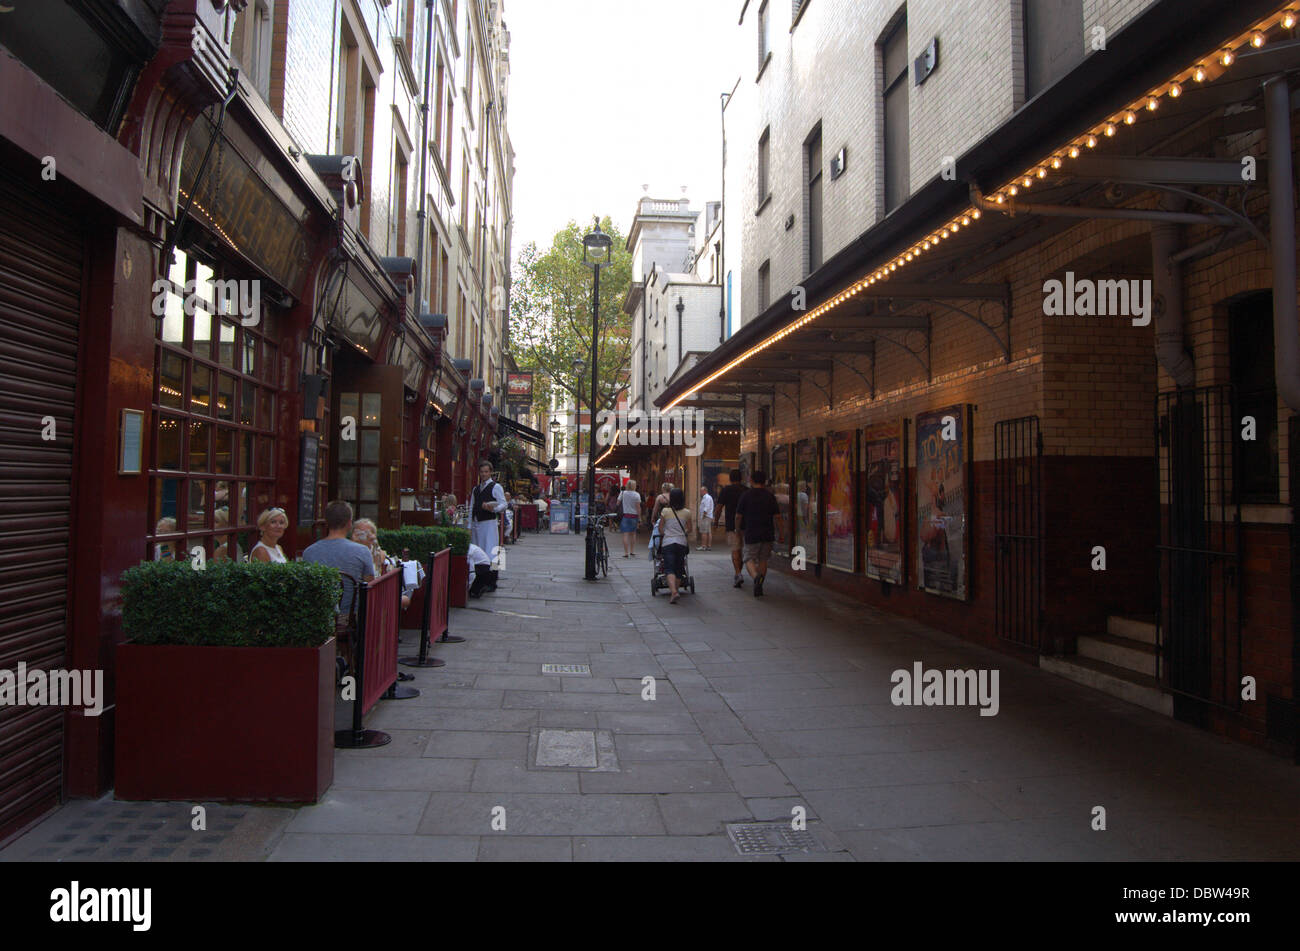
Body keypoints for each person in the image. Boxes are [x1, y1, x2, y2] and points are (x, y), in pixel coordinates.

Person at [302, 500, 375, 623]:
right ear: (349, 524)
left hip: (320, 619)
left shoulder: (309, 552)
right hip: (350, 618)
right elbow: (370, 585)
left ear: (327, 523)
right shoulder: (362, 551)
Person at [735, 470, 784, 598]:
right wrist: (782, 533)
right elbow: (778, 517)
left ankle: (756, 578)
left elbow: (738, 516)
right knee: (763, 559)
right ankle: (759, 585)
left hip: (751, 532)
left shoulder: (746, 495)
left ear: (751, 480)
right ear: (764, 481)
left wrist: (737, 530)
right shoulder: (770, 496)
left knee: (748, 558)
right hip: (768, 532)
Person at [655, 487, 692, 605]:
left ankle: (673, 592)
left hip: (668, 543)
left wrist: (665, 534)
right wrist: (683, 533)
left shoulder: (665, 511)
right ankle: (675, 591)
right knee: (679, 569)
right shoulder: (687, 512)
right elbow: (689, 529)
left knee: (669, 568)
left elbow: (660, 528)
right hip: (681, 543)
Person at [717, 469, 748, 588]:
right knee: (742, 550)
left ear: (730, 478)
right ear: (741, 478)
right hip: (746, 525)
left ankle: (738, 573)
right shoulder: (746, 490)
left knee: (735, 550)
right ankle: (739, 572)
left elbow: (719, 507)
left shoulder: (726, 490)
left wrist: (715, 521)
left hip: (732, 525)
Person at [470, 461, 507, 556]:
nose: (483, 474)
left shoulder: (496, 487)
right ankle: (479, 569)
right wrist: (469, 525)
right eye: (482, 472)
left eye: (486, 472)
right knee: (477, 550)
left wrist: (493, 509)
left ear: (490, 472)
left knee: (490, 549)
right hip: (476, 523)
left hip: (489, 523)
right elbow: (472, 506)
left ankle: (493, 569)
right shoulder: (475, 489)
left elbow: (504, 504)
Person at [616, 479, 642, 558]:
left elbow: (617, 503)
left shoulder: (623, 493)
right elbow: (638, 508)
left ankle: (626, 553)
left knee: (625, 534)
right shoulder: (637, 494)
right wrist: (639, 518)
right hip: (634, 516)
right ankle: (632, 551)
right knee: (633, 534)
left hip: (625, 516)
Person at [696, 485, 714, 551]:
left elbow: (706, 508)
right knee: (708, 532)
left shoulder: (706, 498)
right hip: (708, 517)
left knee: (704, 532)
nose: (700, 492)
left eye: (701, 491)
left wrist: (703, 516)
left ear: (705, 491)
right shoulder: (707, 497)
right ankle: (708, 546)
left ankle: (703, 546)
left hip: (706, 517)